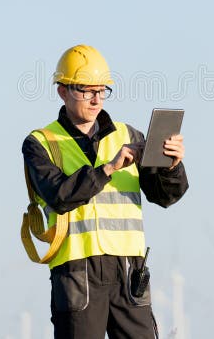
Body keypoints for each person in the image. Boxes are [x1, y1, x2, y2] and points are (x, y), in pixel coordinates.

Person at [22, 44, 188, 339]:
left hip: (129, 271)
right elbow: (59, 195)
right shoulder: (40, 143)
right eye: (86, 90)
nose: (96, 99)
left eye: (102, 90)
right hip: (77, 274)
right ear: (62, 91)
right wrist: (107, 169)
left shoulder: (130, 136)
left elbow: (166, 196)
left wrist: (172, 166)